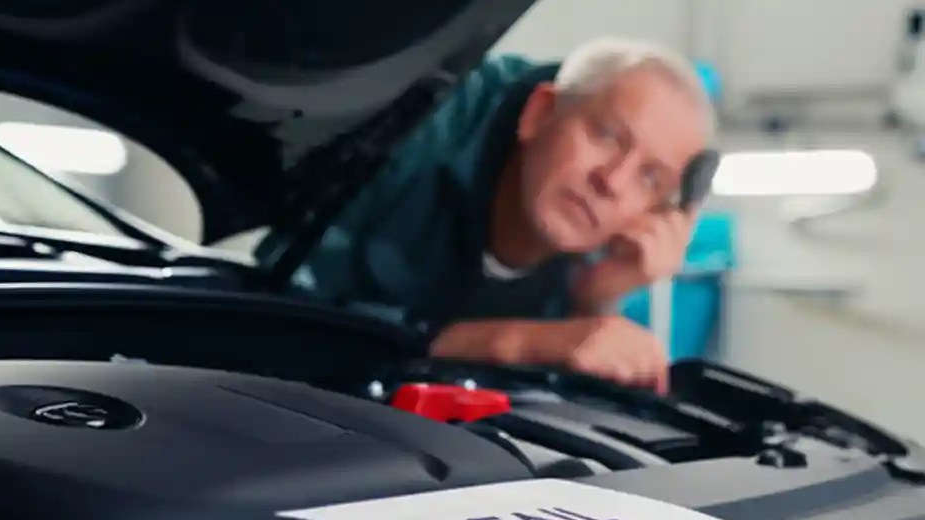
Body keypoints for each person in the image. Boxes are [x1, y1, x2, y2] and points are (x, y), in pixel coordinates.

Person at [263, 38, 715, 393]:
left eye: (650, 179)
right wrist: (519, 341)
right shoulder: (420, 118)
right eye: (606, 134)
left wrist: (593, 299)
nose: (612, 181)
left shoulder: (577, 236)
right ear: (540, 112)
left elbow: (553, 373)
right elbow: (274, 311)